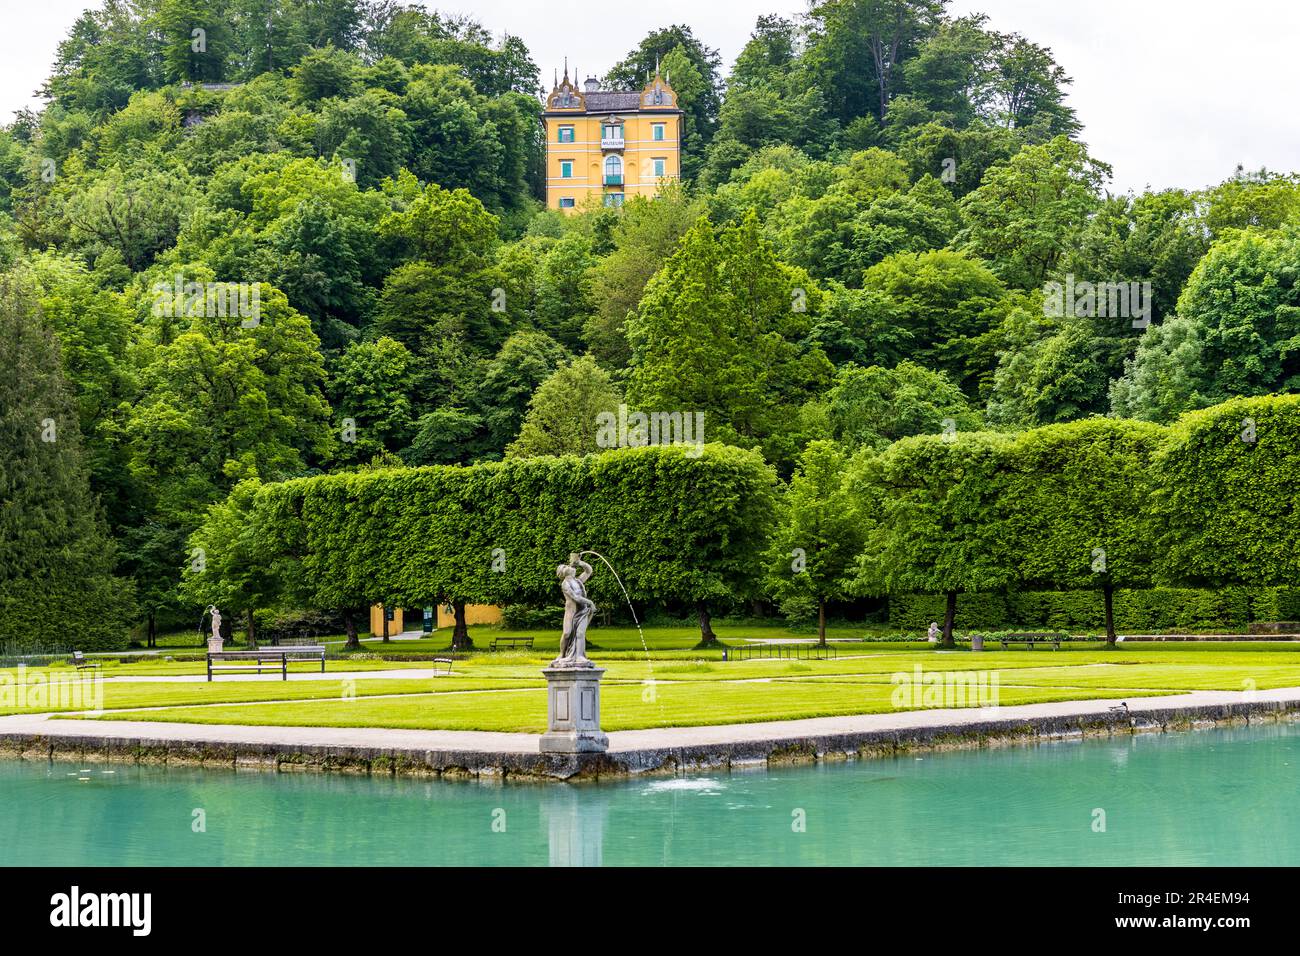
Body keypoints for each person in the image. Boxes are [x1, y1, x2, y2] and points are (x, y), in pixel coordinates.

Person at [556, 553, 596, 665]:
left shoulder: (578, 581)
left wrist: (580, 563)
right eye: (564, 567)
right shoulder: (565, 584)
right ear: (562, 573)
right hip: (571, 613)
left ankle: (579, 656)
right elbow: (575, 597)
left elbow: (589, 571)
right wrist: (589, 602)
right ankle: (562, 654)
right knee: (567, 633)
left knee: (580, 633)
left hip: (583, 610)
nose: (568, 566)